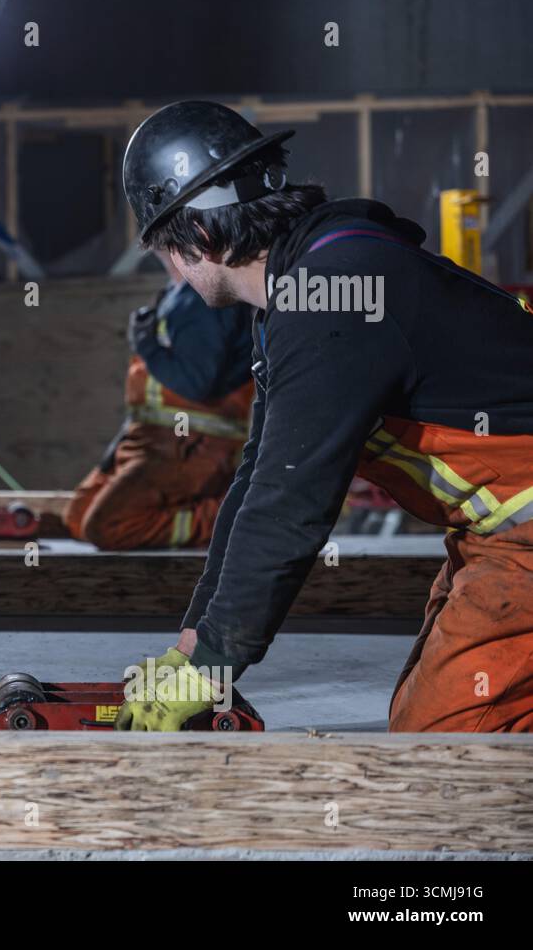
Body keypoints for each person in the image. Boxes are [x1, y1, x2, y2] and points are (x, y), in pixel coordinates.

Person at [113, 100, 533, 732]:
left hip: (521, 539)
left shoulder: (326, 296)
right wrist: (194, 645)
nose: (172, 274)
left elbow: (290, 502)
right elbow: (259, 478)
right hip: (501, 540)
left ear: (198, 237)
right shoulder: (305, 290)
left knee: (444, 756)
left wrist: (217, 666)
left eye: (165, 254)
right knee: (430, 723)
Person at [64, 250, 253, 549]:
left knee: (107, 526)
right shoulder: (174, 293)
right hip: (150, 440)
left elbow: (197, 383)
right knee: (77, 518)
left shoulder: (206, 297)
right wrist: (115, 453)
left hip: (191, 444)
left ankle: (236, 517)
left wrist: (146, 345)